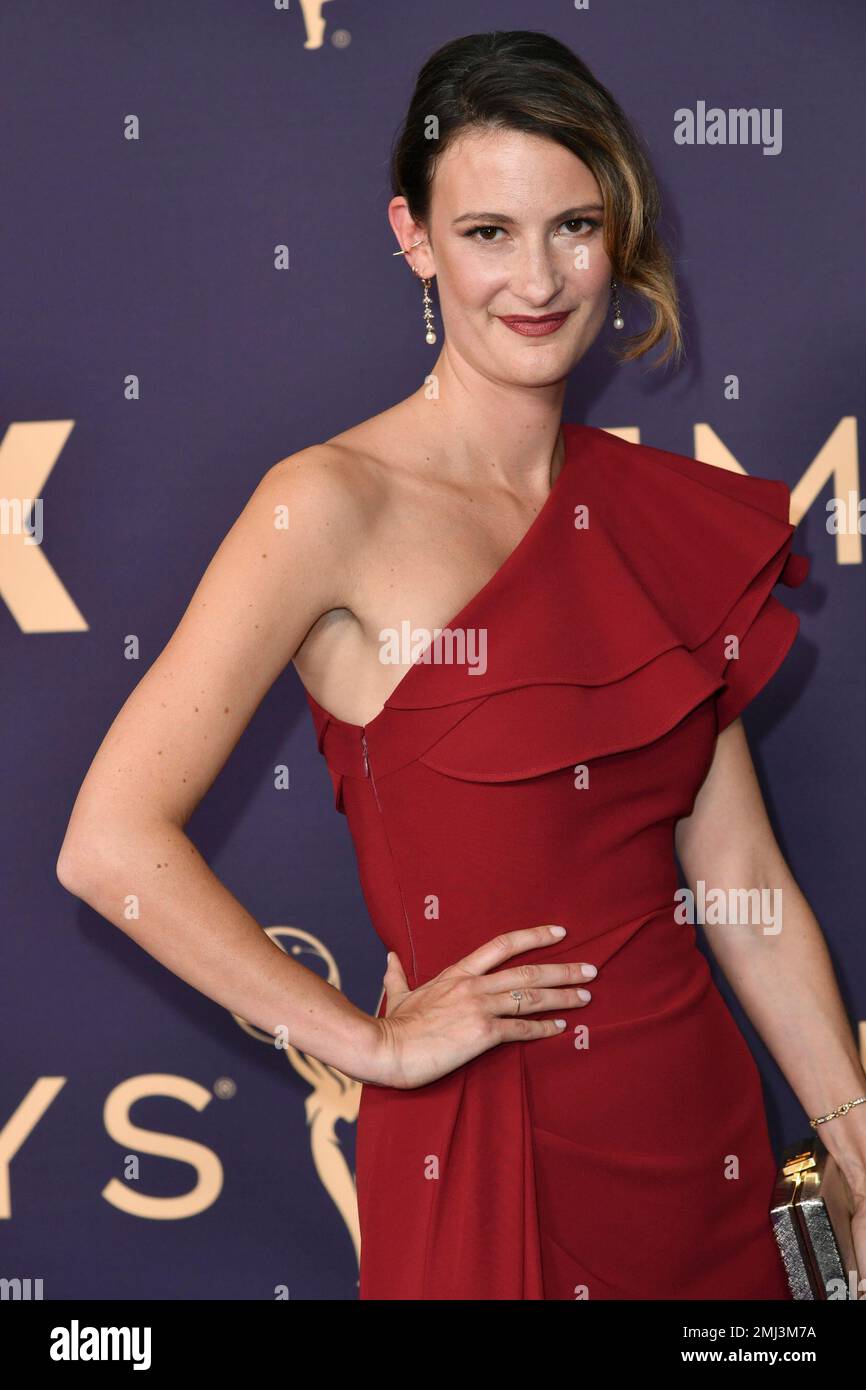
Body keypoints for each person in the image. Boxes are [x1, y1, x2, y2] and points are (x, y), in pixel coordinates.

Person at [57, 30, 866, 1300]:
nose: (537, 277)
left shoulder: (660, 517)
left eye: (573, 226)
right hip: (484, 1147)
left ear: (615, 233)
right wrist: (366, 1044)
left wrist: (847, 1133)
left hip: (697, 1144)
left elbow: (737, 874)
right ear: (413, 237)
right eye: (486, 231)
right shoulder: (325, 506)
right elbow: (109, 843)